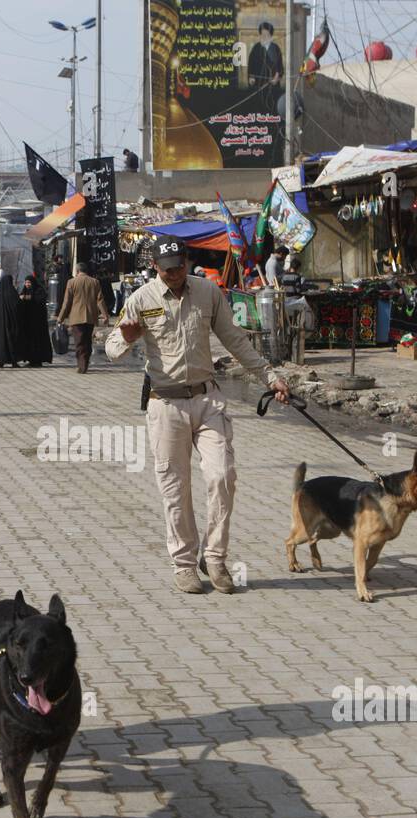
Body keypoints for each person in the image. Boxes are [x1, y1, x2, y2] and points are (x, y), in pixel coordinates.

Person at [106, 234, 290, 594]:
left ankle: (216, 558)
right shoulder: (141, 299)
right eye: (167, 269)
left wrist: (270, 377)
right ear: (155, 267)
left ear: (186, 262)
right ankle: (185, 564)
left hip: (208, 400)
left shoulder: (208, 292)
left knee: (223, 476)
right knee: (175, 489)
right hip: (165, 405)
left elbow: (235, 339)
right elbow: (113, 347)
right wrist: (126, 337)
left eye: (179, 267)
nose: (174, 274)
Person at [56, 261, 110, 373]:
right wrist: (105, 315)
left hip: (76, 317)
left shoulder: (71, 282)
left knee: (79, 341)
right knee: (87, 341)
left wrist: (60, 318)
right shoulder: (94, 282)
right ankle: (85, 362)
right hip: (90, 316)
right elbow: (100, 300)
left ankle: (82, 365)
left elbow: (67, 302)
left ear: (77, 271)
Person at [18, 275, 53, 367]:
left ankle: (37, 360)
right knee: (29, 341)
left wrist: (26, 298)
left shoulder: (39, 290)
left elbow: (39, 299)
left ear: (33, 282)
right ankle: (31, 360)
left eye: (29, 282)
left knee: (37, 341)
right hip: (28, 321)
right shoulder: (24, 290)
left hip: (38, 322)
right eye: (26, 282)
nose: (27, 284)